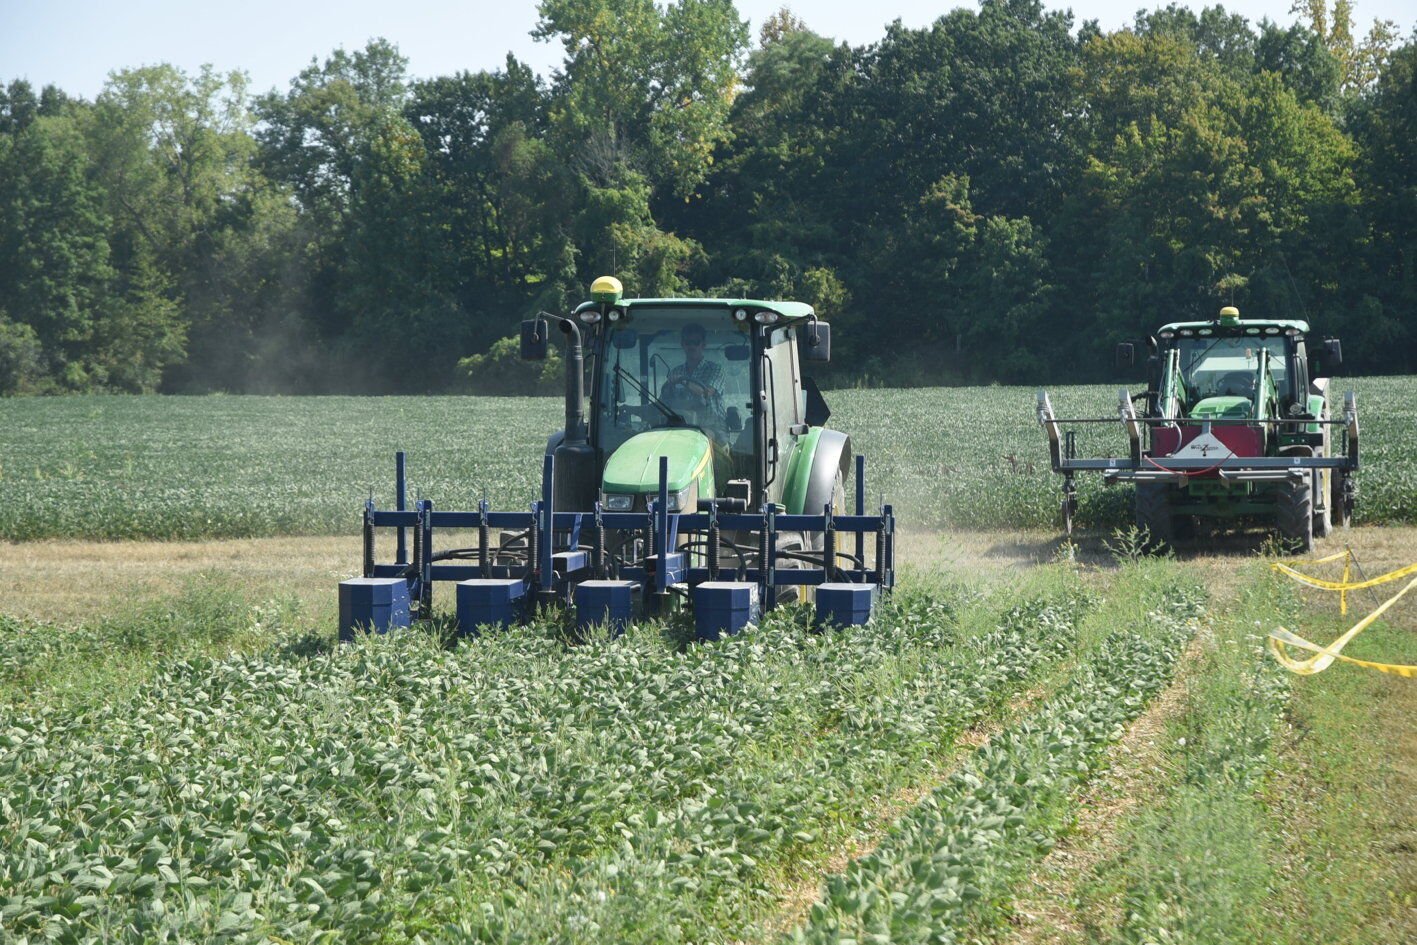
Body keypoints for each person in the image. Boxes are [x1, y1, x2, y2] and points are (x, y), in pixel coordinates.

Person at [662, 323, 724, 422]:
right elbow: (665, 400)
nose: (692, 346)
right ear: (683, 344)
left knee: (707, 435)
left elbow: (706, 393)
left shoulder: (715, 369)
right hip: (681, 424)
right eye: (688, 342)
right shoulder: (675, 371)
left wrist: (683, 380)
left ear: (703, 345)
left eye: (696, 342)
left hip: (713, 425)